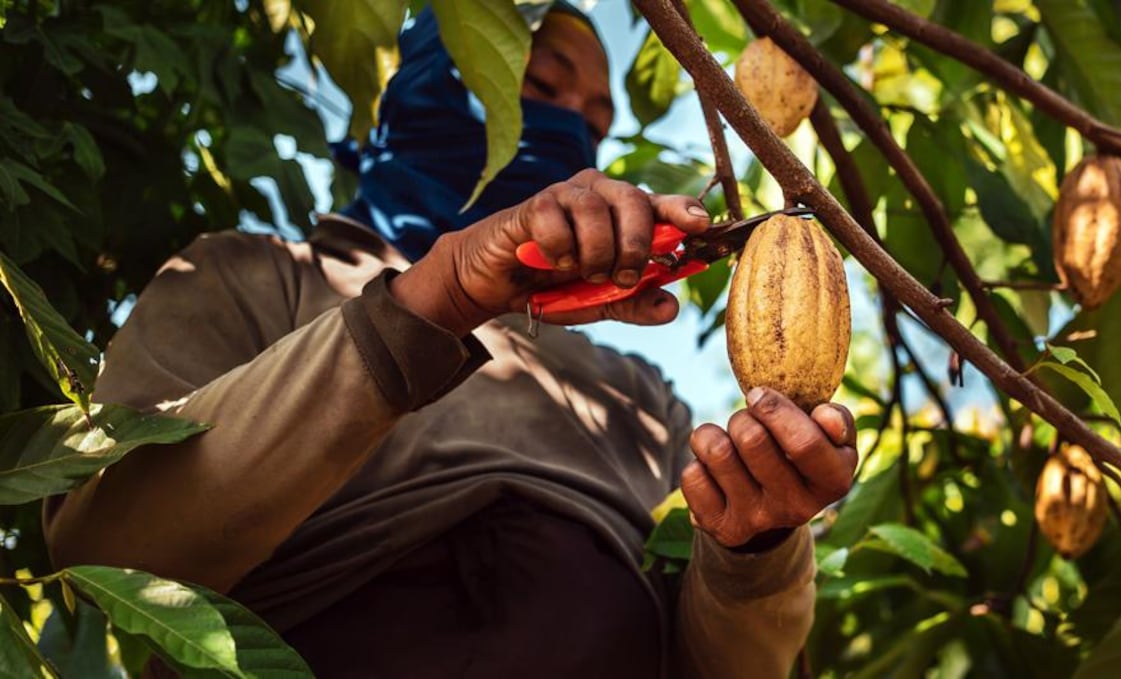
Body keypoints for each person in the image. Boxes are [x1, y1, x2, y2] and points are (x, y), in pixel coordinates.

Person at [43, 5, 859, 678]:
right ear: (429, 82)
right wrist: (440, 295)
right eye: (540, 87)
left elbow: (730, 666)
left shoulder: (641, 392)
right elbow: (107, 552)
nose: (570, 131)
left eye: (594, 121)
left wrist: (756, 548)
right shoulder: (251, 277)